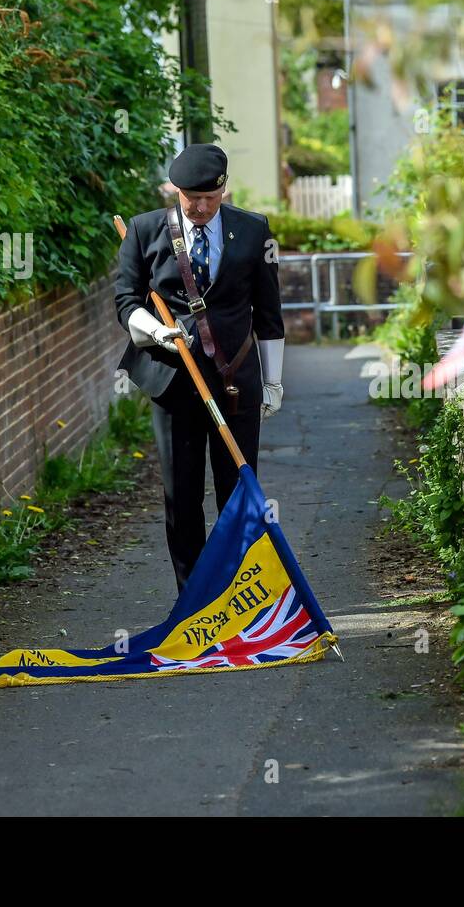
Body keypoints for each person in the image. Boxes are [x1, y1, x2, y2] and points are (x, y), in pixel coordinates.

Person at [114, 144, 285, 592]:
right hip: (173, 382)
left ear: (223, 188)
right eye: (192, 198)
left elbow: (269, 315)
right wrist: (155, 332)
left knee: (238, 494)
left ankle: (236, 593)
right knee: (182, 495)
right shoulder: (144, 230)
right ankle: (191, 597)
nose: (202, 207)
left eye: (210, 197)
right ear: (177, 191)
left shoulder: (255, 232)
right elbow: (126, 301)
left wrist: (275, 382)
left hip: (236, 381)